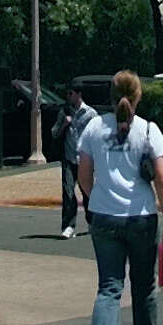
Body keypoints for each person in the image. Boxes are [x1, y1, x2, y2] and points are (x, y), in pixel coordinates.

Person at [77, 69, 163, 325]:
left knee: (109, 288)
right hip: (141, 217)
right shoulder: (147, 130)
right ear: (138, 97)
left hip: (104, 216)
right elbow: (162, 179)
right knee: (144, 288)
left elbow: (83, 174)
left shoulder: (94, 128)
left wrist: (95, 197)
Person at [52, 81, 98, 237]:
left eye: (71, 93)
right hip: (69, 157)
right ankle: (68, 226)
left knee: (87, 193)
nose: (68, 96)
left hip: (85, 160)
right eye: (67, 93)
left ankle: (92, 222)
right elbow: (54, 133)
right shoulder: (64, 112)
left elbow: (98, 136)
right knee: (68, 192)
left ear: (79, 94)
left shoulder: (91, 114)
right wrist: (64, 124)